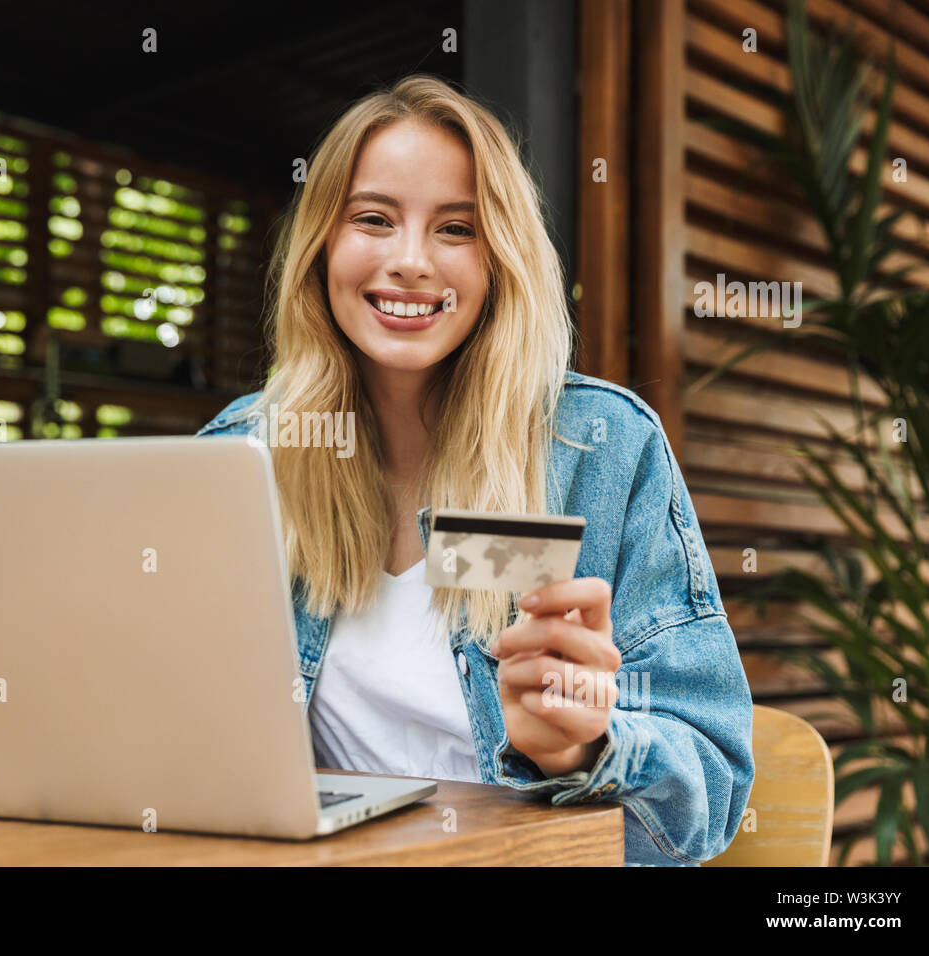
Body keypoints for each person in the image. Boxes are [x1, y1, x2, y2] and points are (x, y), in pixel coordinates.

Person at [195, 74, 753, 866]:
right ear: (323, 243)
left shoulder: (598, 445)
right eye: (374, 219)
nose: (411, 261)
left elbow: (710, 784)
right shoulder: (239, 455)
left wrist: (579, 749)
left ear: (502, 259)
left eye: (457, 229)